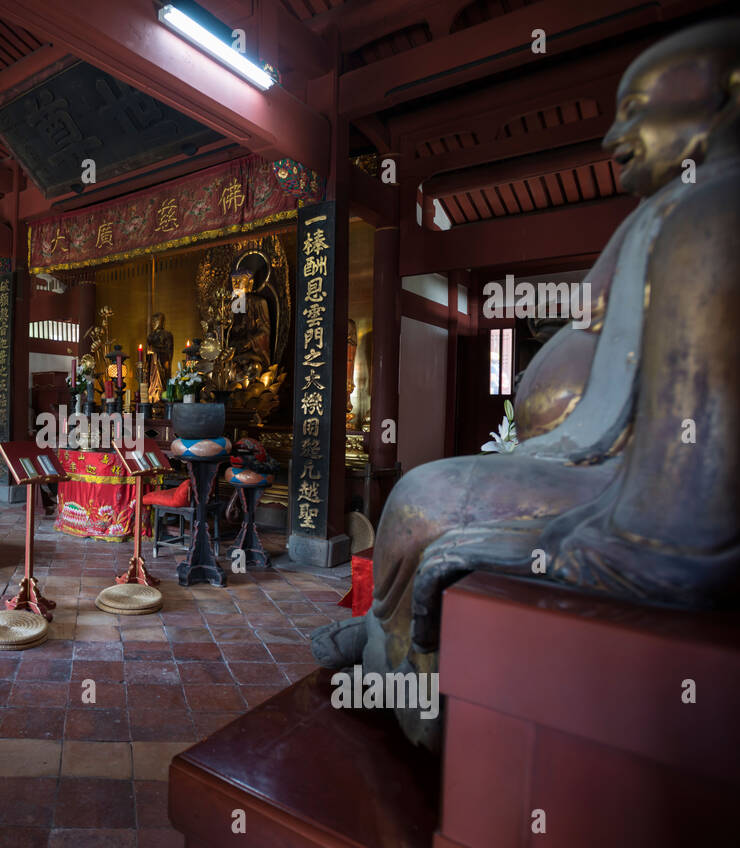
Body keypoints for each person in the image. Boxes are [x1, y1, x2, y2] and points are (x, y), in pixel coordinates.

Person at [310, 19, 740, 749]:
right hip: (580, 454)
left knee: (419, 499)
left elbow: (687, 498)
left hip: (620, 480)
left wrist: (519, 542)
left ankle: (405, 665)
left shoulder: (712, 217)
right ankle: (386, 635)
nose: (613, 137)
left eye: (637, 109)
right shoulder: (654, 216)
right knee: (418, 499)